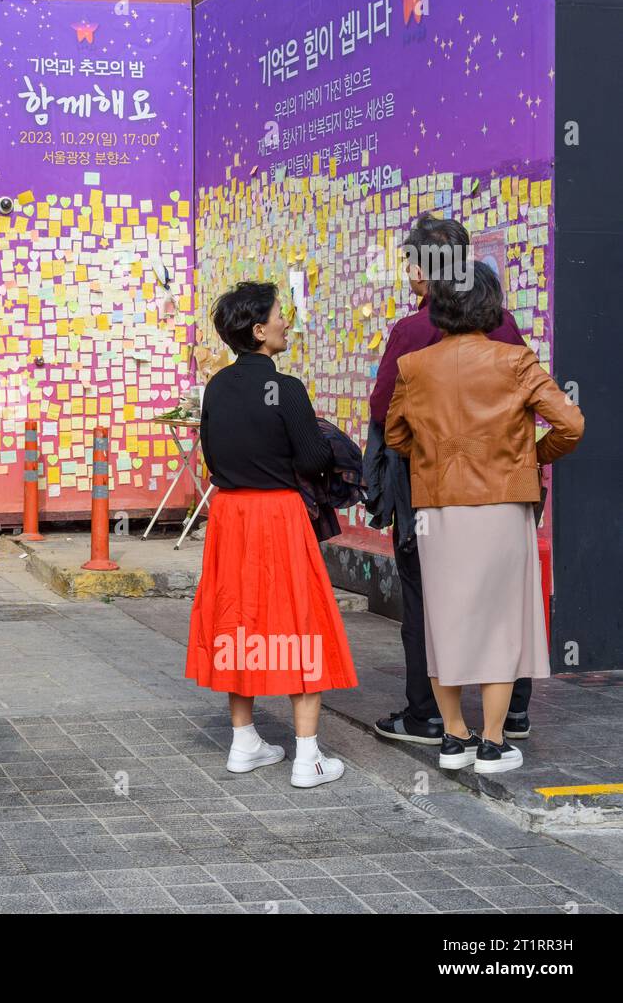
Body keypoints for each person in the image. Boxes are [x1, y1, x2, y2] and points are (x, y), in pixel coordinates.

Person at [385, 261, 583, 774]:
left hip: (438, 507)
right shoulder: (516, 361)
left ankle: (453, 738)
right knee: (501, 623)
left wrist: (433, 456)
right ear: (491, 305)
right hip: (502, 505)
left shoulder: (415, 366)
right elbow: (571, 423)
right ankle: (493, 743)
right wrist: (531, 456)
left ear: (440, 305)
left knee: (443, 621)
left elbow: (395, 437)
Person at [368, 214, 533, 748]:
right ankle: (511, 715)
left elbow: (382, 411)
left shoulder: (414, 330)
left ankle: (431, 716)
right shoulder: (503, 322)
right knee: (505, 598)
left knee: (428, 598)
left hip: (433, 489)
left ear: (422, 268)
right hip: (504, 486)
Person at [186, 282, 358, 788]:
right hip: (280, 516)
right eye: (281, 316)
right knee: (299, 621)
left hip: (230, 516)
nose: (288, 323)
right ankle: (308, 757)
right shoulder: (287, 389)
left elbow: (213, 459)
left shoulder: (216, 387)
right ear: (260, 330)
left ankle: (244, 742)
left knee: (237, 618)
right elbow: (312, 458)